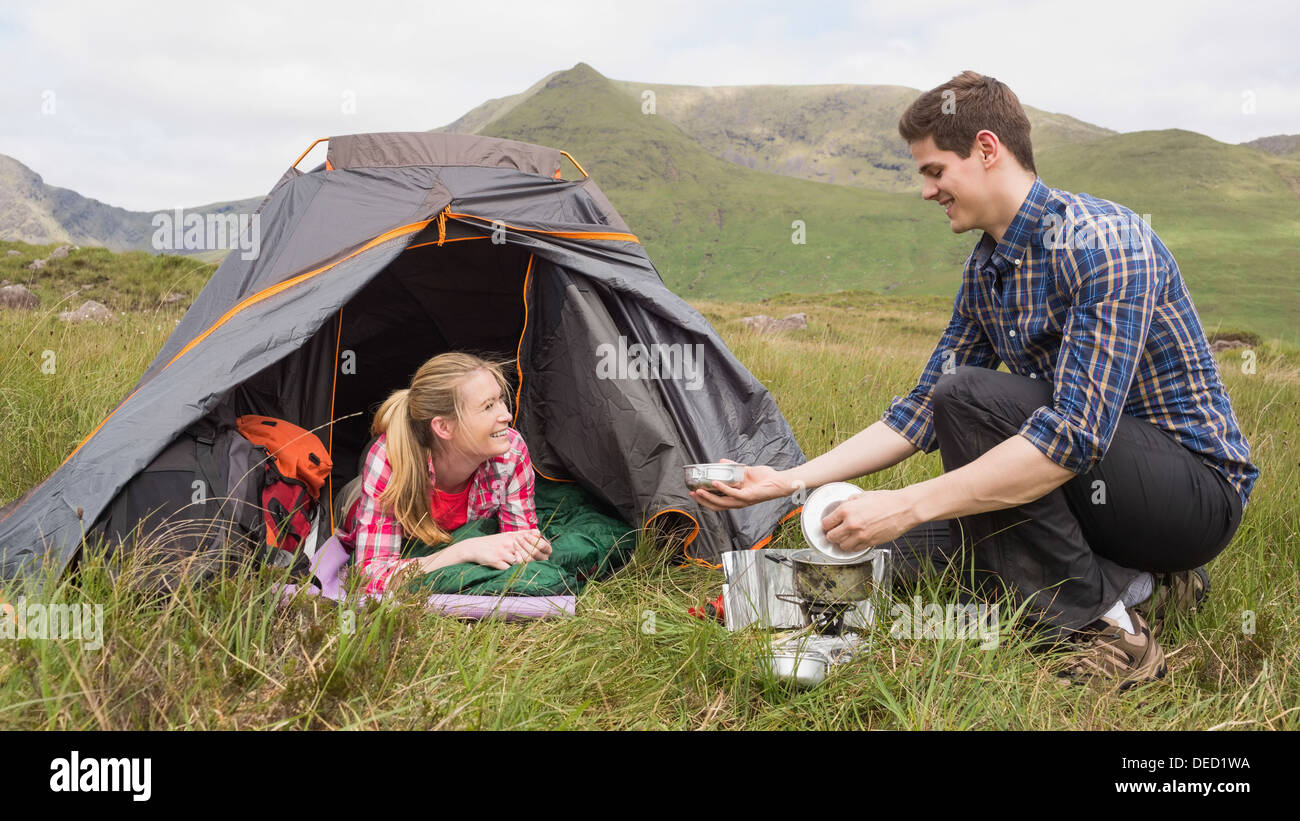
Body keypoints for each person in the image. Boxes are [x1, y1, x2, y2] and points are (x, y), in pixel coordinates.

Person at [694, 71, 1257, 688]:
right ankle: (1143, 583)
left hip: (1191, 496)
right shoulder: (987, 269)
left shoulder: (1104, 241)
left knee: (965, 398)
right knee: (891, 553)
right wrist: (786, 480)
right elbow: (916, 415)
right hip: (1094, 492)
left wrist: (904, 504)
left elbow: (1072, 435)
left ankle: (1105, 633)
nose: (927, 190)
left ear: (987, 149)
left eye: (934, 171)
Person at [339, 352, 552, 595]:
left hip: (434, 497)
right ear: (443, 426)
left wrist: (530, 548)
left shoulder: (511, 450)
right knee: (365, 474)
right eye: (488, 406)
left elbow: (518, 540)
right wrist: (464, 550)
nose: (506, 415)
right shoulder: (388, 462)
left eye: (501, 400)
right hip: (357, 496)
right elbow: (370, 577)